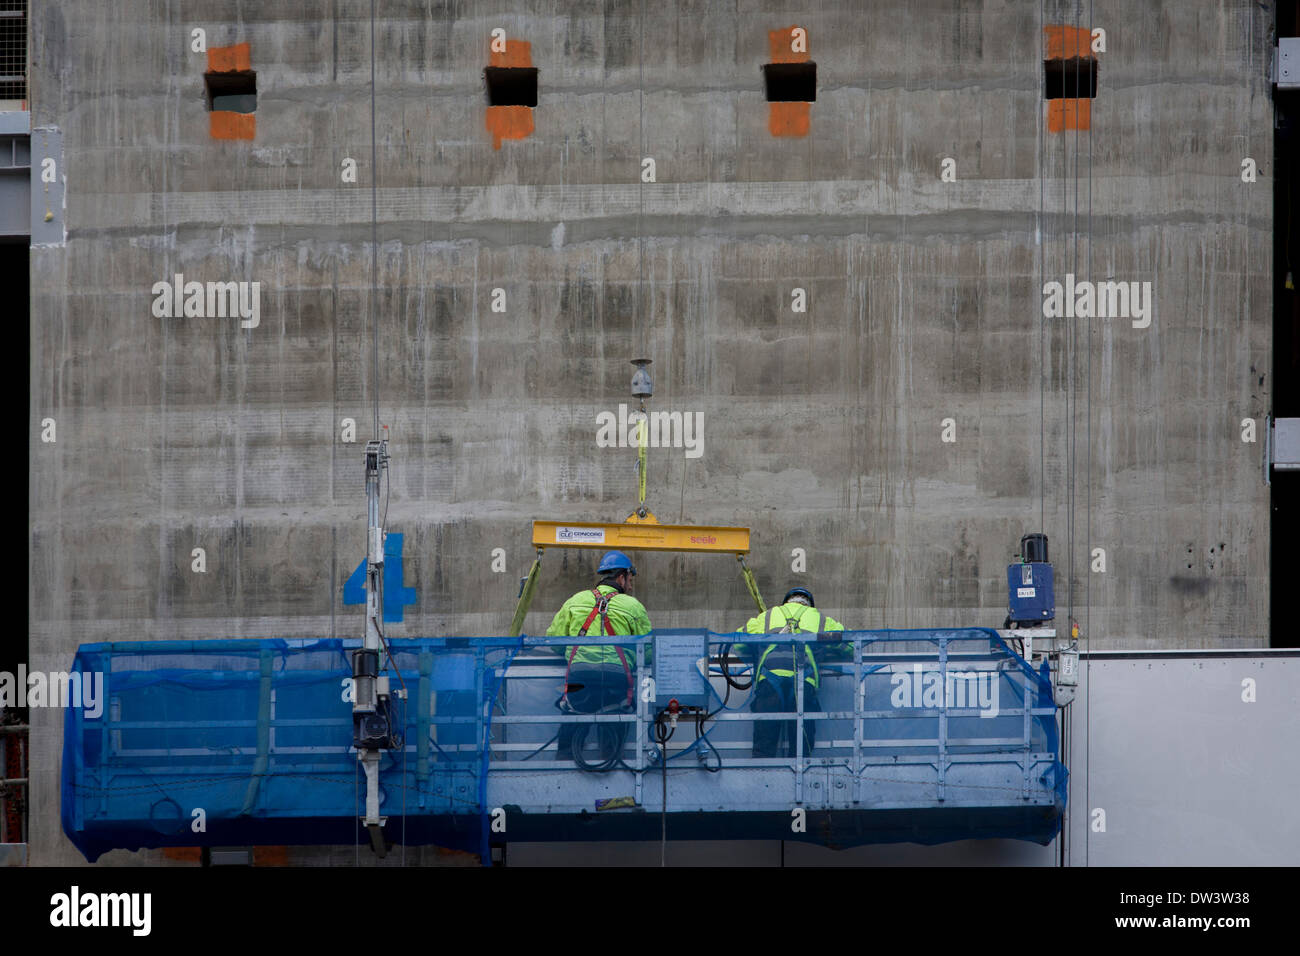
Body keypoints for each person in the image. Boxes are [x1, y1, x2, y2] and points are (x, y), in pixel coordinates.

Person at [545, 551, 651, 765]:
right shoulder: (633, 606)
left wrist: (571, 653)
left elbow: (554, 640)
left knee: (573, 714)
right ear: (621, 576)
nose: (630, 585)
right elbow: (648, 650)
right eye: (630, 579)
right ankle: (611, 761)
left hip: (580, 675)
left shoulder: (576, 600)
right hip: (616, 676)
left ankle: (563, 762)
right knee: (615, 719)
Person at [736, 587, 845, 758]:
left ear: (787, 601)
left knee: (764, 745)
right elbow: (851, 644)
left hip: (769, 684)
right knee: (802, 747)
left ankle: (762, 778)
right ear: (809, 604)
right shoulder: (820, 619)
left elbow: (738, 642)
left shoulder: (768, 616)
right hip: (804, 683)